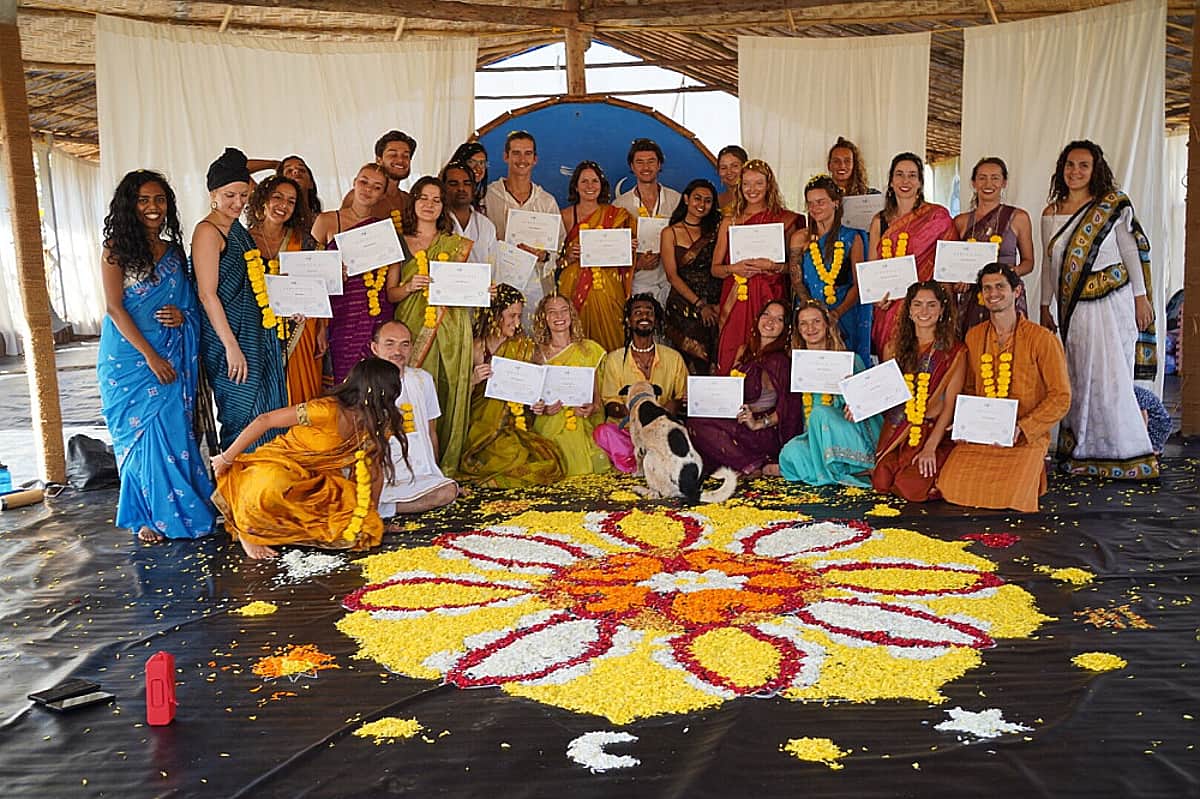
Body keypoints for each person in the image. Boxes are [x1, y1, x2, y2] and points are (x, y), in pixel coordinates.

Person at [98, 169, 216, 543]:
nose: (153, 207)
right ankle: (146, 516)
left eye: (159, 200)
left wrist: (184, 317)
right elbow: (115, 309)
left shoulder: (174, 251)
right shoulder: (116, 249)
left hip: (172, 350)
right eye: (144, 200)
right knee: (138, 436)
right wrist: (150, 356)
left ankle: (179, 505)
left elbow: (191, 302)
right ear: (130, 205)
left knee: (172, 430)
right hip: (130, 358)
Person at [1040, 140, 1158, 479]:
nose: (1075, 172)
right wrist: (1045, 304)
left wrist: (1141, 296)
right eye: (1070, 165)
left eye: (1083, 166)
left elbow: (1129, 250)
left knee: (1110, 376)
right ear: (1062, 169)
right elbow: (1052, 264)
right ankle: (1084, 451)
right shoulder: (1050, 213)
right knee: (1078, 375)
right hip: (1072, 307)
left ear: (1095, 170)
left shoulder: (1111, 205)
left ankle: (1124, 450)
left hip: (1112, 301)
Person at [211, 358, 404, 560]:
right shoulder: (324, 410)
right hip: (279, 465)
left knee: (357, 529)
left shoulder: (377, 424)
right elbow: (264, 420)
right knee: (271, 485)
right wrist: (226, 458)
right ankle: (248, 531)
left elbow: (373, 472)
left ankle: (280, 534)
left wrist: (370, 515)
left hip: (318, 482)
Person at [938, 264, 1071, 511]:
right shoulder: (974, 336)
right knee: (951, 486)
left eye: (1000, 287)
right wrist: (964, 421)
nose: (993, 293)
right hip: (982, 435)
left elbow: (1061, 397)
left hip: (1023, 437)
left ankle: (1031, 473)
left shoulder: (1043, 339)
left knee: (1013, 496)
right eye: (987, 288)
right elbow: (968, 387)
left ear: (1017, 291)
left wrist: (1023, 427)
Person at [192, 147, 287, 452]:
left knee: (266, 412)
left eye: (243, 195)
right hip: (228, 337)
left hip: (255, 332)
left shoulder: (237, 229)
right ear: (213, 193)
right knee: (240, 411)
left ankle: (264, 482)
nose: (238, 203)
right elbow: (207, 295)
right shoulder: (207, 232)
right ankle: (238, 485)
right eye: (230, 195)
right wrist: (232, 347)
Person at [392, 175, 475, 476]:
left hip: (452, 326)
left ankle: (445, 465)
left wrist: (484, 291)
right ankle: (411, 466)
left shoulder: (455, 244)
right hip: (412, 323)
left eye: (436, 200)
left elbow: (466, 287)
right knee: (412, 390)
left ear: (444, 207)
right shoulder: (399, 242)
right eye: (423, 198)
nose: (429, 205)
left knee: (448, 389)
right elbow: (390, 293)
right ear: (413, 202)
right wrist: (410, 286)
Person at [457, 284, 565, 486]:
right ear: (494, 314)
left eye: (519, 316)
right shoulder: (474, 347)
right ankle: (491, 479)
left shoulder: (525, 346)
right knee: (512, 455)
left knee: (545, 458)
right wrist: (472, 380)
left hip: (514, 424)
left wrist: (538, 405)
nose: (517, 323)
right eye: (511, 316)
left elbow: (535, 393)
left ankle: (494, 480)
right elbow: (454, 397)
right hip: (479, 425)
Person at [769, 301, 881, 486]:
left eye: (816, 321)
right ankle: (838, 470)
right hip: (814, 435)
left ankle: (855, 466)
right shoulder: (796, 366)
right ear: (798, 329)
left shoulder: (850, 361)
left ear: (827, 325)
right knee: (791, 452)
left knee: (820, 413)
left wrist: (854, 400)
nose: (810, 328)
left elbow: (870, 405)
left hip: (848, 432)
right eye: (803, 323)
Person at [872, 281, 966, 501]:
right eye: (918, 304)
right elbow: (884, 394)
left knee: (909, 489)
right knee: (881, 482)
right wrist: (856, 400)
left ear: (942, 310)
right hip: (899, 430)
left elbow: (950, 406)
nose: (924, 311)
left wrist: (930, 448)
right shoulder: (892, 348)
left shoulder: (956, 352)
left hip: (933, 433)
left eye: (931, 305)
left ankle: (938, 473)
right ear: (909, 310)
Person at [711, 158, 802, 374]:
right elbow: (715, 269)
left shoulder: (786, 220)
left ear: (769, 185)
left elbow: (795, 269)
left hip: (771, 296)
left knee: (769, 354)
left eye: (758, 183)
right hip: (737, 298)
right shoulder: (729, 221)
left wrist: (773, 266)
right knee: (732, 353)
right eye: (746, 184)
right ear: (740, 187)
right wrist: (735, 269)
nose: (752, 190)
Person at [689, 300, 800, 475]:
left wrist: (757, 423)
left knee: (700, 424)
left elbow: (787, 407)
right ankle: (751, 464)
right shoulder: (744, 351)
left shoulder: (780, 361)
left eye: (778, 319)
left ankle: (751, 464)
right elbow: (728, 390)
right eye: (766, 315)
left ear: (785, 328)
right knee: (695, 421)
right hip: (736, 419)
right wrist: (700, 398)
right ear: (758, 318)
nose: (770, 321)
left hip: (760, 429)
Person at [312, 163, 400, 383]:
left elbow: (391, 285)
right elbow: (307, 270)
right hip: (340, 315)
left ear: (382, 194)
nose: (368, 189)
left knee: (375, 382)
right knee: (345, 383)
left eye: (377, 187)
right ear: (354, 182)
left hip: (375, 315)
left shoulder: (385, 230)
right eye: (364, 181)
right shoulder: (327, 221)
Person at [245, 175, 325, 404]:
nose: (283, 206)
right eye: (277, 197)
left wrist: (320, 329)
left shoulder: (304, 241)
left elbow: (319, 287)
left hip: (301, 328)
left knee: (301, 396)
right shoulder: (243, 240)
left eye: (291, 201)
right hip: (255, 329)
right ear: (263, 200)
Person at [868, 152, 957, 355]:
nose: (905, 181)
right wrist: (876, 298)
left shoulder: (937, 217)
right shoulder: (879, 221)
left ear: (920, 182)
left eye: (912, 175)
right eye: (899, 174)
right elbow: (872, 269)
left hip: (926, 305)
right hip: (889, 306)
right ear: (890, 182)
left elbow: (949, 265)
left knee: (925, 362)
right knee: (893, 363)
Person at [369, 320, 459, 516]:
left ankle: (385, 509)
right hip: (378, 475)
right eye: (390, 343)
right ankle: (377, 503)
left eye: (405, 344)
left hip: (418, 474)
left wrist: (436, 474)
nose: (398, 351)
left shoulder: (422, 379)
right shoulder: (363, 381)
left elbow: (431, 432)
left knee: (449, 491)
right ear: (374, 348)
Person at [594, 294, 689, 473]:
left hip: (662, 430)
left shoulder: (673, 358)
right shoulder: (614, 359)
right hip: (628, 431)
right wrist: (636, 416)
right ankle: (640, 464)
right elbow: (611, 403)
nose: (644, 316)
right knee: (603, 432)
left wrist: (670, 407)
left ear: (656, 320)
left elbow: (682, 397)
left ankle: (649, 461)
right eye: (637, 313)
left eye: (649, 312)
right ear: (629, 321)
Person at [789, 174, 872, 364]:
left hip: (843, 312)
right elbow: (796, 279)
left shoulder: (853, 238)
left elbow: (859, 285)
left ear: (835, 202)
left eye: (820, 202)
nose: (815, 208)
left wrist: (835, 314)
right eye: (810, 203)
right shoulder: (800, 238)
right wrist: (812, 310)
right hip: (809, 314)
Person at [556, 161, 634, 352]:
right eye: (584, 181)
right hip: (574, 286)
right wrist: (568, 255)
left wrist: (628, 246)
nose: (590, 186)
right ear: (575, 185)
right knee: (576, 344)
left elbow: (624, 257)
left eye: (594, 181)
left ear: (602, 185)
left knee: (612, 345)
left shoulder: (616, 214)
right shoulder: (566, 216)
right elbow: (554, 261)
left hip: (608, 288)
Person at [529, 295, 611, 475]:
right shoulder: (536, 354)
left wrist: (591, 408)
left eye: (564, 310)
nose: (559, 316)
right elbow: (533, 401)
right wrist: (543, 409)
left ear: (571, 314)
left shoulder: (590, 350)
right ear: (544, 317)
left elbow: (598, 401)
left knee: (592, 463)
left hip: (581, 422)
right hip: (550, 423)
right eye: (552, 312)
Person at [951, 157, 1034, 334]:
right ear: (973, 183)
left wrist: (1009, 274)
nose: (988, 183)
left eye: (995, 178)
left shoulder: (1018, 217)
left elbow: (1028, 263)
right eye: (982, 178)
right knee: (972, 350)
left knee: (1010, 350)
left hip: (1006, 295)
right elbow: (953, 264)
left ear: (1004, 182)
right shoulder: (961, 221)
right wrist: (958, 282)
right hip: (972, 298)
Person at [661, 178, 723, 374]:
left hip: (715, 306)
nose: (702, 205)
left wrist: (714, 305)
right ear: (686, 199)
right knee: (686, 364)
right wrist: (699, 305)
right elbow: (672, 275)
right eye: (697, 198)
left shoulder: (717, 231)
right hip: (683, 307)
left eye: (708, 200)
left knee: (714, 359)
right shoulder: (670, 232)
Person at [614, 138, 683, 306]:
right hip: (638, 284)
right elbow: (612, 252)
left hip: (671, 282)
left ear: (659, 164)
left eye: (651, 161)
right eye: (640, 162)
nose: (646, 167)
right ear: (632, 166)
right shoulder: (620, 205)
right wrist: (637, 263)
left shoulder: (676, 200)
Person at [484, 130, 561, 250]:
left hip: (535, 268)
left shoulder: (547, 202)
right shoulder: (487, 197)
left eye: (528, 153)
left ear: (535, 159)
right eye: (516, 153)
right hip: (497, 268)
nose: (522, 159)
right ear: (506, 157)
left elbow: (558, 247)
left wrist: (544, 256)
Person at [340, 130, 416, 217]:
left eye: (405, 156)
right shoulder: (359, 197)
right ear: (379, 160)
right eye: (393, 154)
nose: (400, 160)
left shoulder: (407, 200)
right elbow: (342, 227)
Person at [443, 160, 497, 266]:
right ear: (443, 188)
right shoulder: (436, 222)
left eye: (467, 183)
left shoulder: (486, 226)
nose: (461, 188)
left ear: (473, 188)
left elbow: (494, 270)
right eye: (453, 184)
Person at [450, 141, 489, 211]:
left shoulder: (483, 199)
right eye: (471, 162)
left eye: (481, 163)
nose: (477, 168)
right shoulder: (449, 197)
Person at [716, 144, 748, 215]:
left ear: (745, 168)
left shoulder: (754, 197)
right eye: (723, 168)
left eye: (735, 166)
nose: (729, 172)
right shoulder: (714, 201)